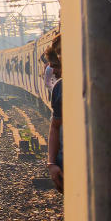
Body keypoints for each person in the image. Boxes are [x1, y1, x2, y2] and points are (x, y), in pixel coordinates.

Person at [42, 33, 63, 190]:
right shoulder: (59, 88)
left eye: (55, 65)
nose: (51, 71)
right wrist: (51, 163)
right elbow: (54, 126)